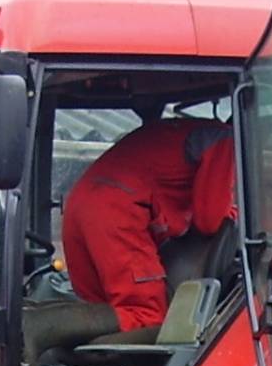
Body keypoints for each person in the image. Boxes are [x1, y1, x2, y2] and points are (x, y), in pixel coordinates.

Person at [60, 113, 235, 333]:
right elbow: (210, 221)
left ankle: (44, 331)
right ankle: (43, 325)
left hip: (80, 205)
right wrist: (235, 214)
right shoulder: (224, 140)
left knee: (100, 308)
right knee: (145, 315)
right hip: (116, 212)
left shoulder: (182, 131)